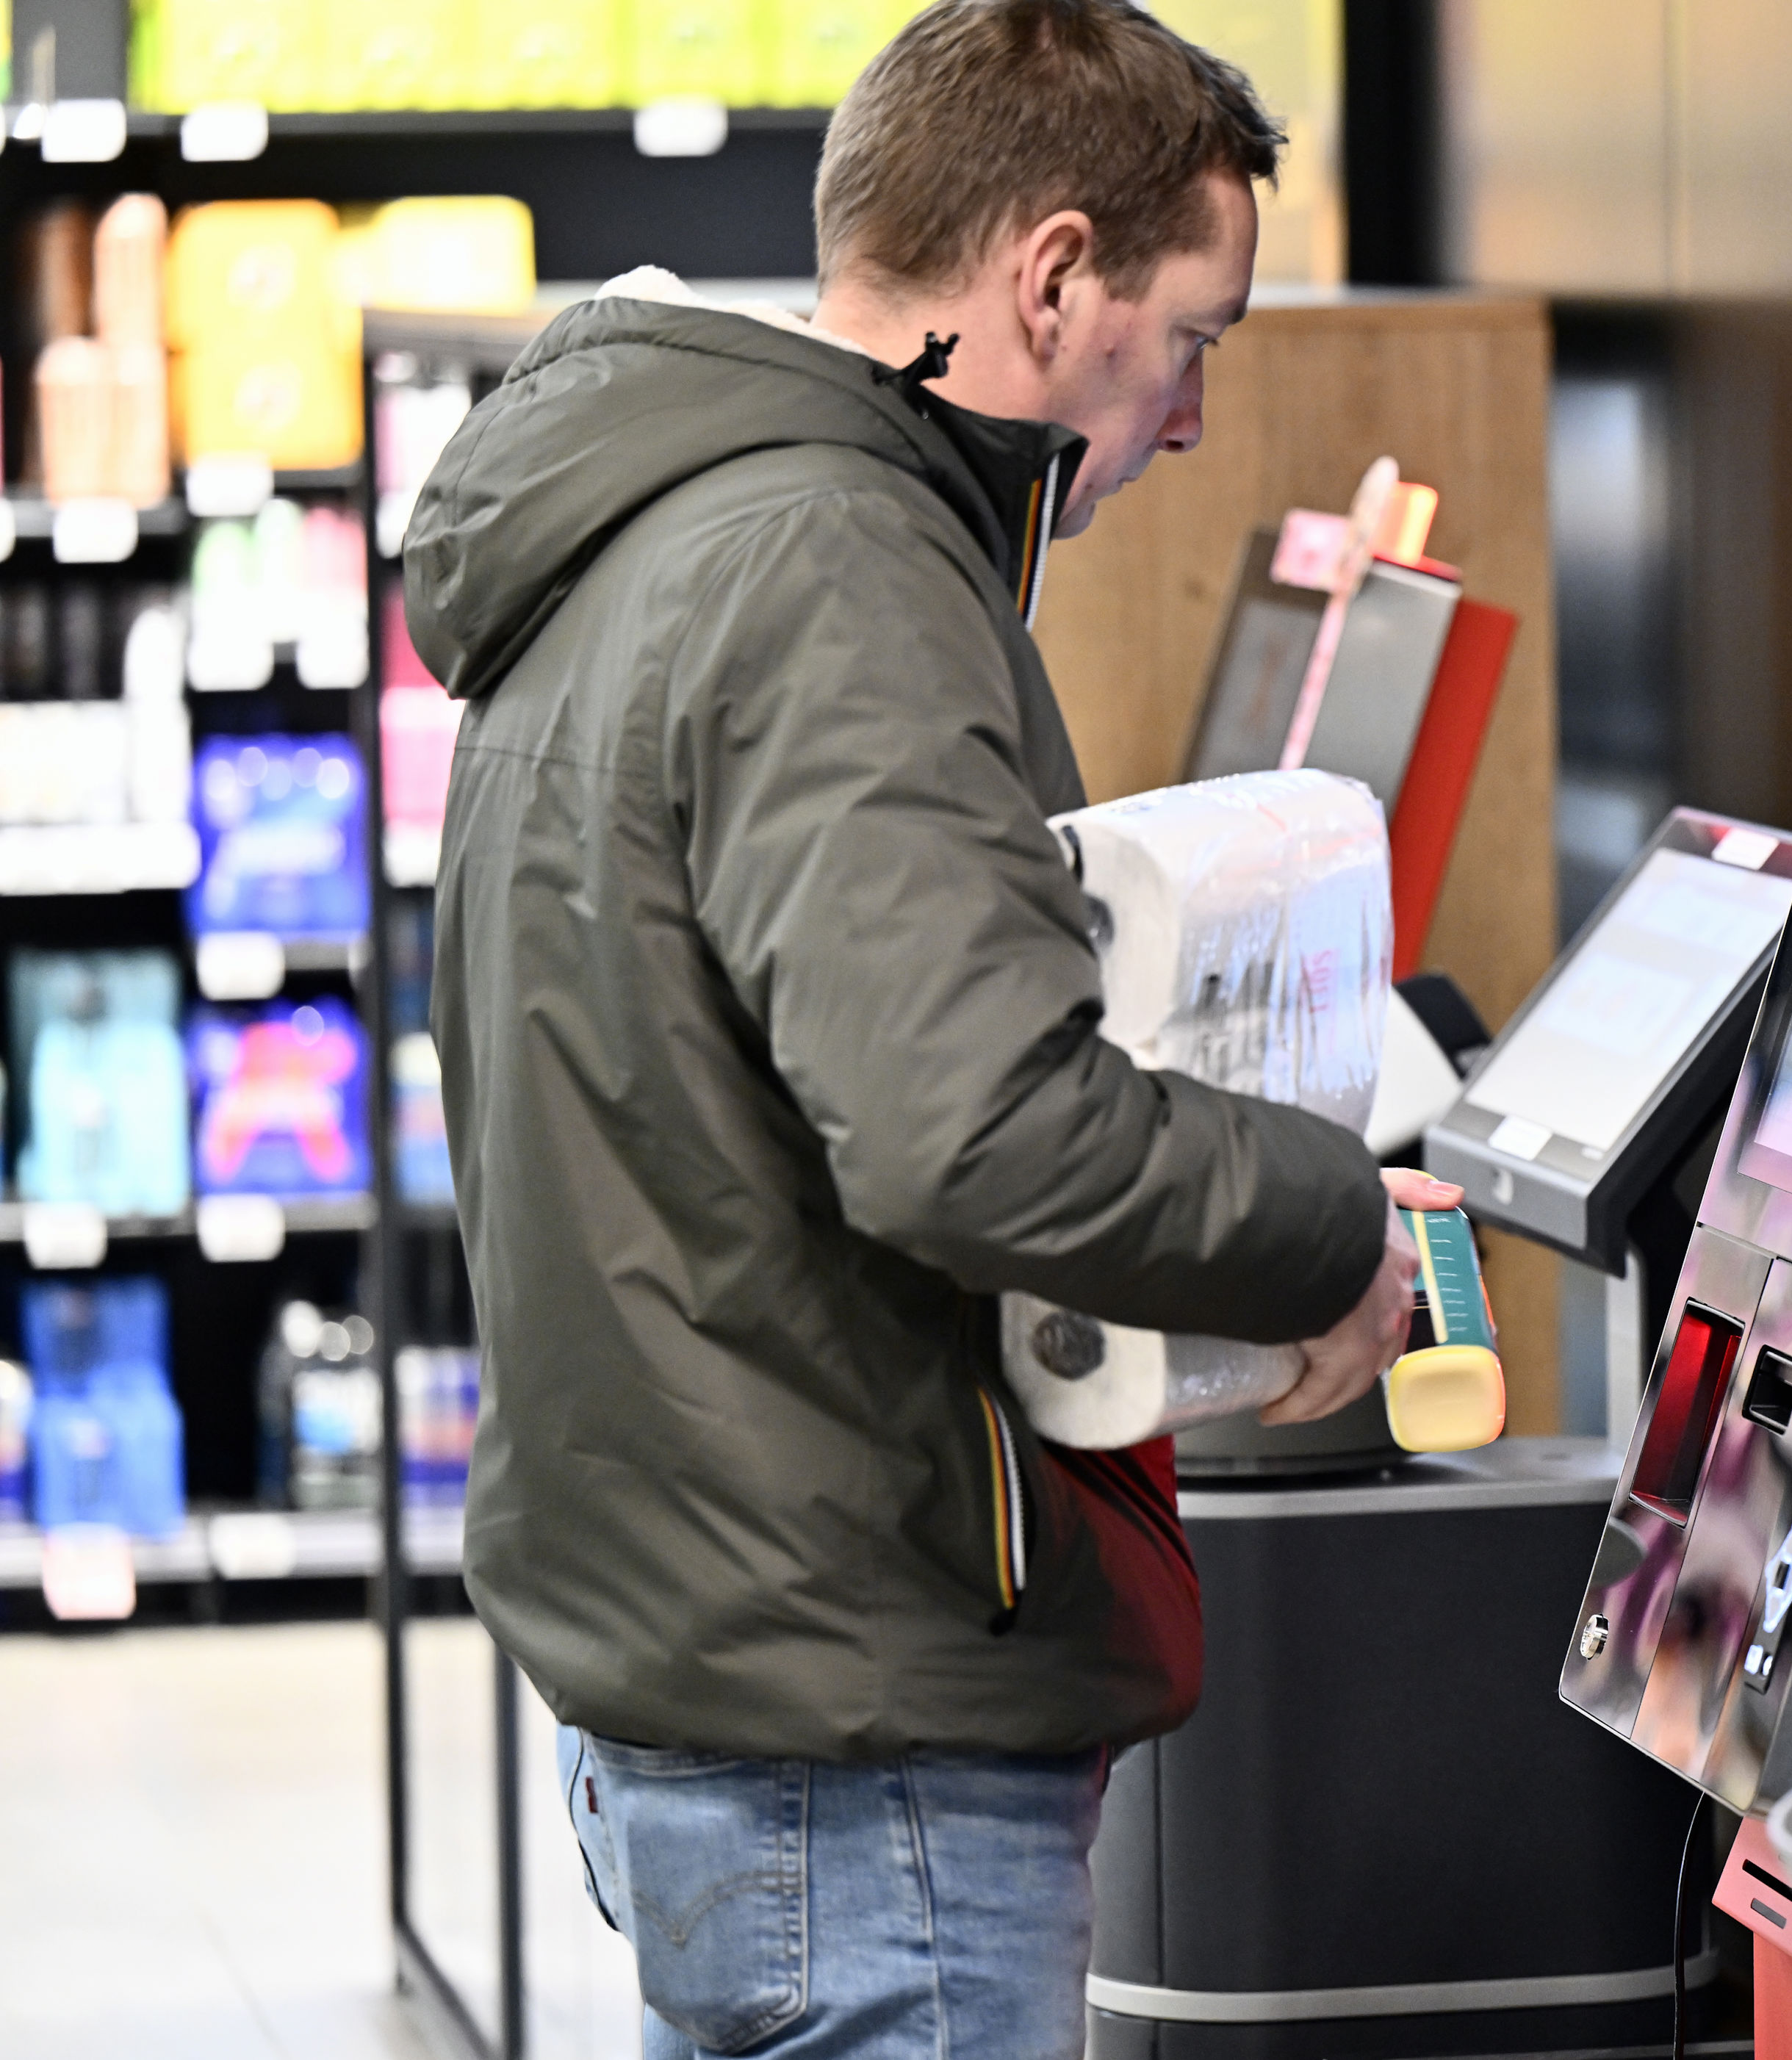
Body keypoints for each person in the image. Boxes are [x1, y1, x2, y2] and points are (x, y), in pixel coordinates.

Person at [403, 4, 1455, 2053]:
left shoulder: (660, 527)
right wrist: (1323, 1223)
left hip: (725, 1664)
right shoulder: (836, 564)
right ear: (1054, 279)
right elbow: (969, 1129)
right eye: (1195, 338)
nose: (1194, 419)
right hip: (858, 1728)